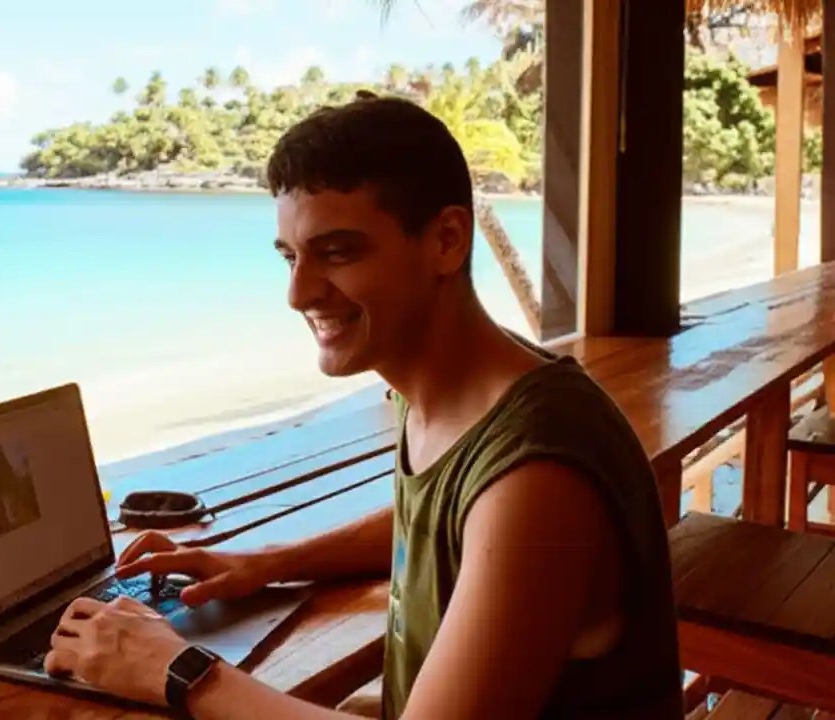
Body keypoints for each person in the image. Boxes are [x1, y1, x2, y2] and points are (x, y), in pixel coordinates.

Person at [41, 93, 685, 719]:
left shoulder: (539, 474)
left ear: (446, 240)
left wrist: (181, 670)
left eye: (337, 252)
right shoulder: (455, 388)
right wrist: (267, 562)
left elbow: (503, 523)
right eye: (290, 257)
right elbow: (444, 527)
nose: (298, 294)